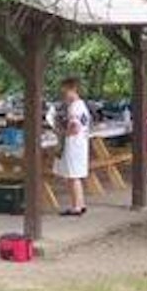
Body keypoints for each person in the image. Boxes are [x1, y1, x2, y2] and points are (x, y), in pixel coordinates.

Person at [55, 78, 90, 216]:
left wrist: (62, 132)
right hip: (81, 143)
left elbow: (74, 127)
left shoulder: (74, 107)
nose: (63, 93)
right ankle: (80, 204)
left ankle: (76, 206)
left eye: (65, 90)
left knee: (72, 176)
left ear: (72, 89)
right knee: (76, 175)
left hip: (73, 143)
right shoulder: (82, 105)